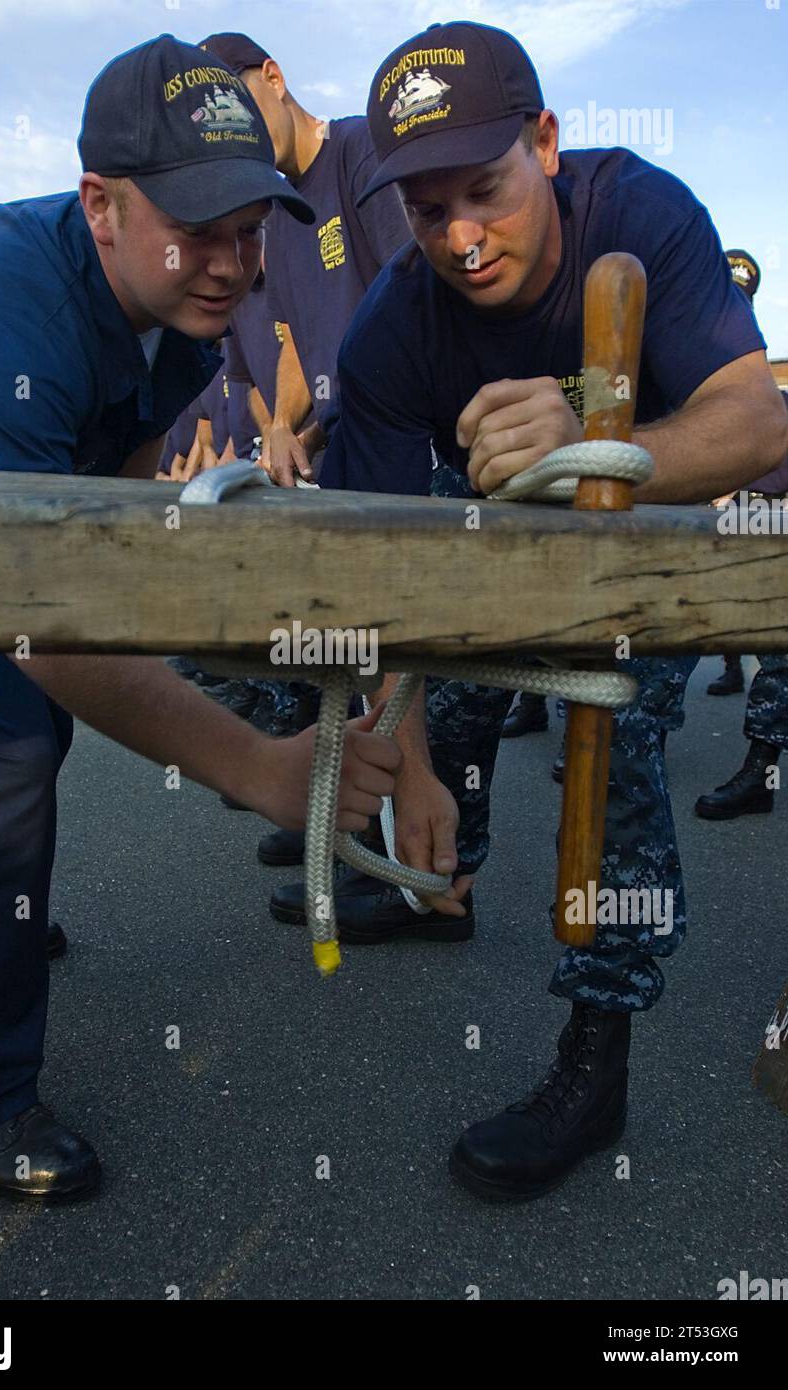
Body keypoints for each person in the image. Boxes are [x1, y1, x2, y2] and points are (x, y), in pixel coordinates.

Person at [0, 34, 400, 1204]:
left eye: (249, 229)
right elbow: (46, 621)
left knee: (32, 745)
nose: (231, 265)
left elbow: (123, 482)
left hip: (22, 512)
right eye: (197, 229)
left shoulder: (175, 303)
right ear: (100, 204)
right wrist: (256, 762)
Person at [287, 20, 787, 1200]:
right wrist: (397, 753)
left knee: (610, 758)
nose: (460, 239)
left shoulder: (640, 217)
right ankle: (441, 883)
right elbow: (373, 565)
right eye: (425, 210)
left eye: (486, 192)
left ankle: (594, 1055)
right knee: (446, 708)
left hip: (665, 528)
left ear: (545, 143)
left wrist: (599, 449)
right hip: (495, 535)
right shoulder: (393, 329)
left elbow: (757, 420)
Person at [197, 31, 413, 867]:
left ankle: (410, 870)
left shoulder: (359, 149)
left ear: (275, 79)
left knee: (403, 658)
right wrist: (290, 430)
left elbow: (411, 296)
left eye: (236, 110)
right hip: (343, 447)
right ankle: (344, 820)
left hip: (405, 442)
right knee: (342, 652)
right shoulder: (280, 213)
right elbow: (293, 346)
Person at [693, 251, 788, 819]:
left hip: (769, 509)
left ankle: (761, 772)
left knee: (778, 648)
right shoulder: (689, 341)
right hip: (725, 507)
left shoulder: (751, 364)